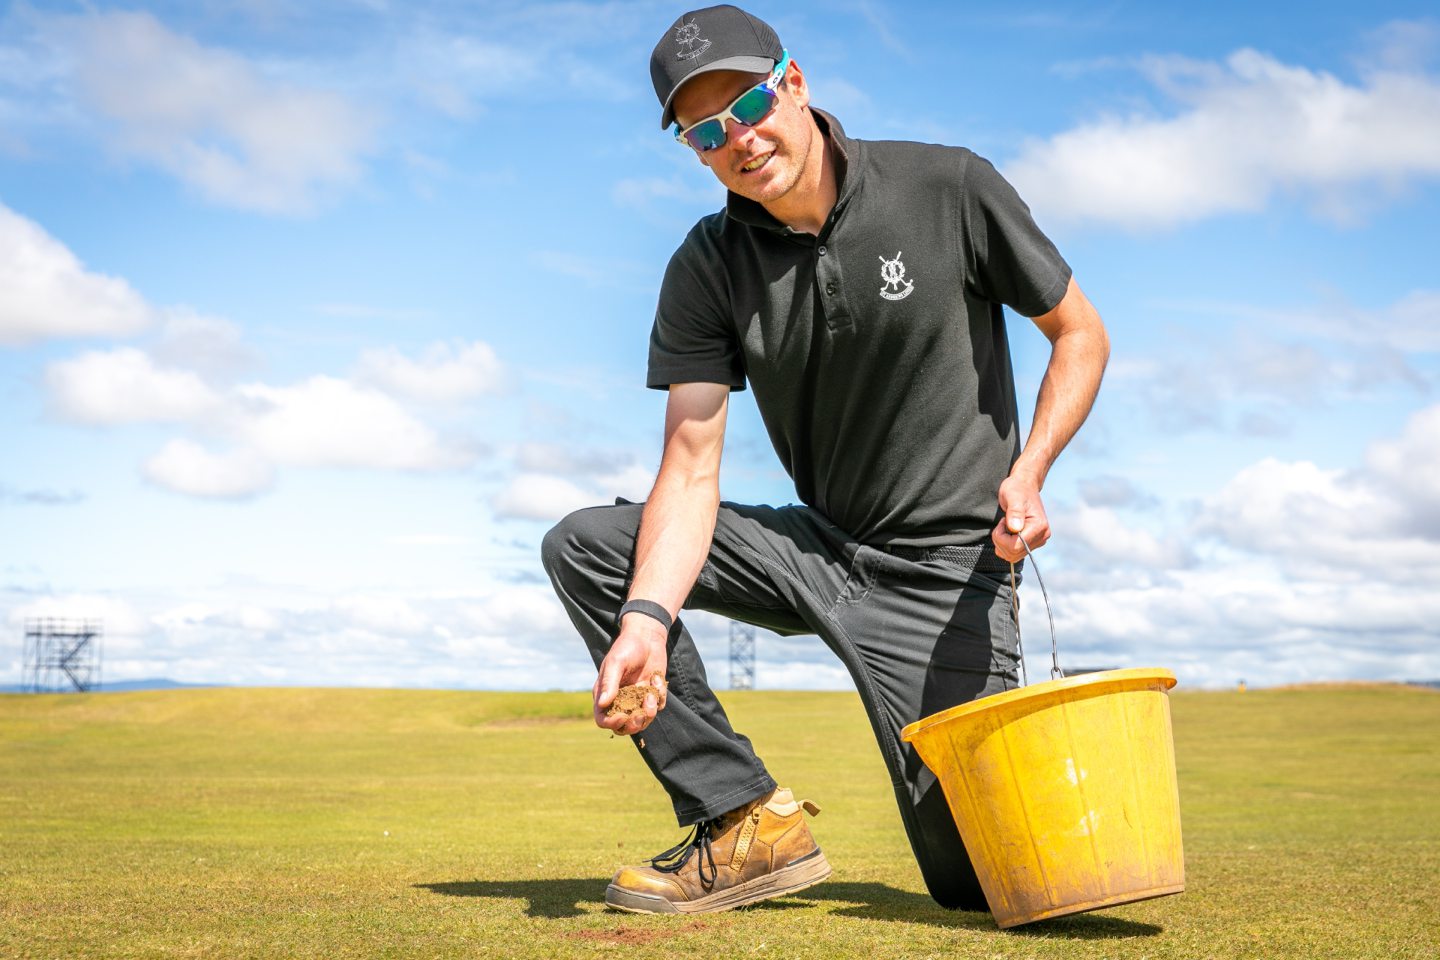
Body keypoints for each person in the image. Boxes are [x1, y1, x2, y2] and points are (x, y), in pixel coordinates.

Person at [542, 3, 1109, 916]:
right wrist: (645, 619)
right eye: (706, 132)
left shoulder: (950, 187)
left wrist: (1030, 469)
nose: (739, 139)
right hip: (816, 548)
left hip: (945, 573)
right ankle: (741, 818)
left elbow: (1079, 333)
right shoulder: (707, 264)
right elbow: (689, 469)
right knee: (590, 544)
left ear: (795, 84)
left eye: (750, 105)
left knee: (981, 882)